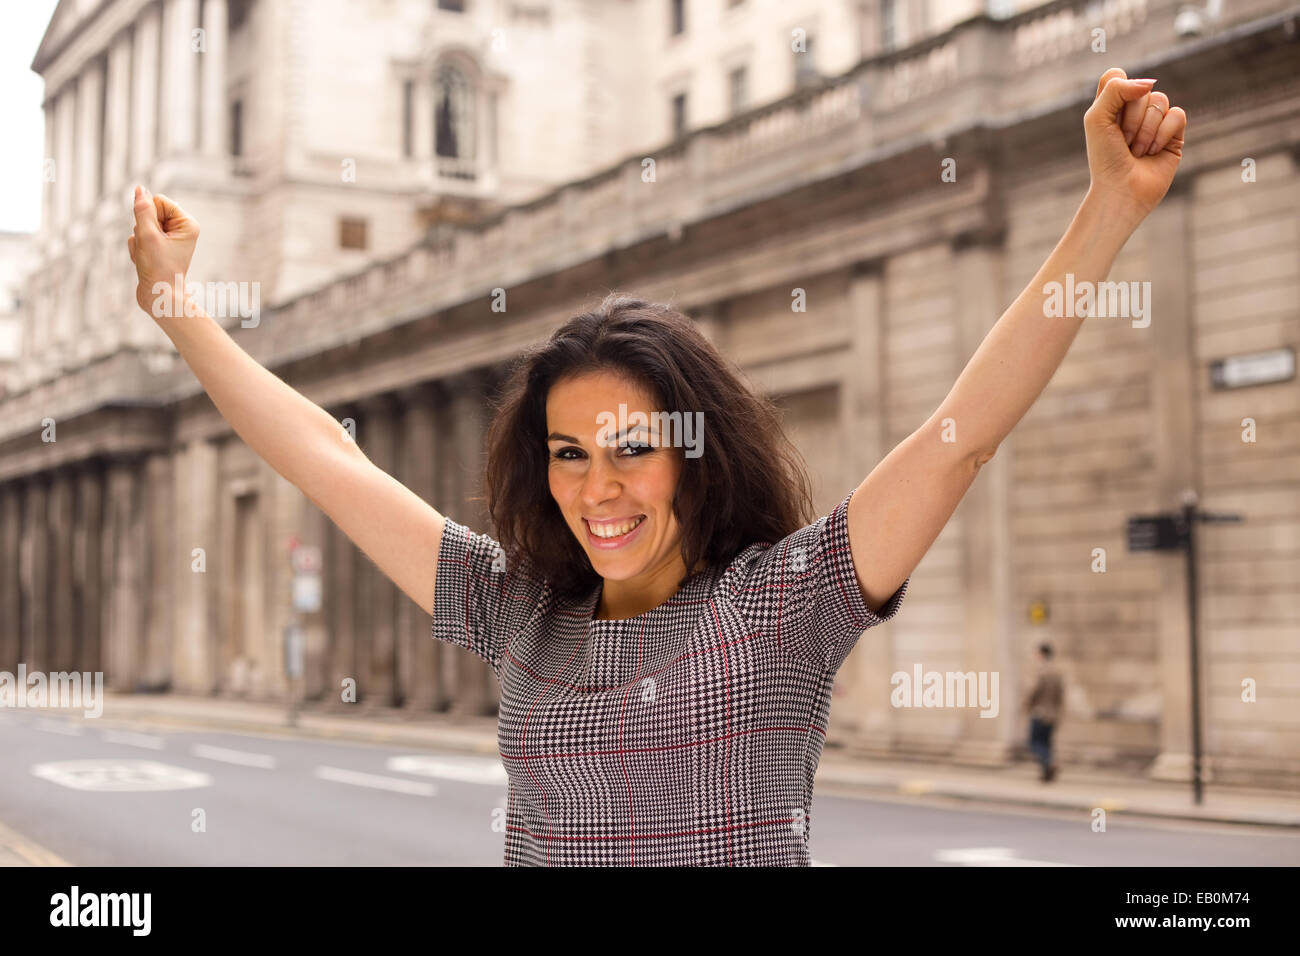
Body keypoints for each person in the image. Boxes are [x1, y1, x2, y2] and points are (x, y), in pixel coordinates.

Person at [126, 68, 1184, 865]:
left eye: (634, 449)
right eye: (570, 454)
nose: (600, 486)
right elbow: (327, 457)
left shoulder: (783, 606)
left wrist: (1109, 208)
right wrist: (179, 308)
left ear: (696, 454)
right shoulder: (518, 609)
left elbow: (964, 432)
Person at [1025, 643, 1065, 783]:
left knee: (1034, 743)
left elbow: (1033, 690)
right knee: (1046, 744)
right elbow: (1060, 695)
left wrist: (1026, 705)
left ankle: (1049, 762)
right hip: (1053, 714)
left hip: (1040, 713)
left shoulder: (1041, 671)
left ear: (1041, 654)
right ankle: (1046, 774)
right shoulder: (1057, 672)